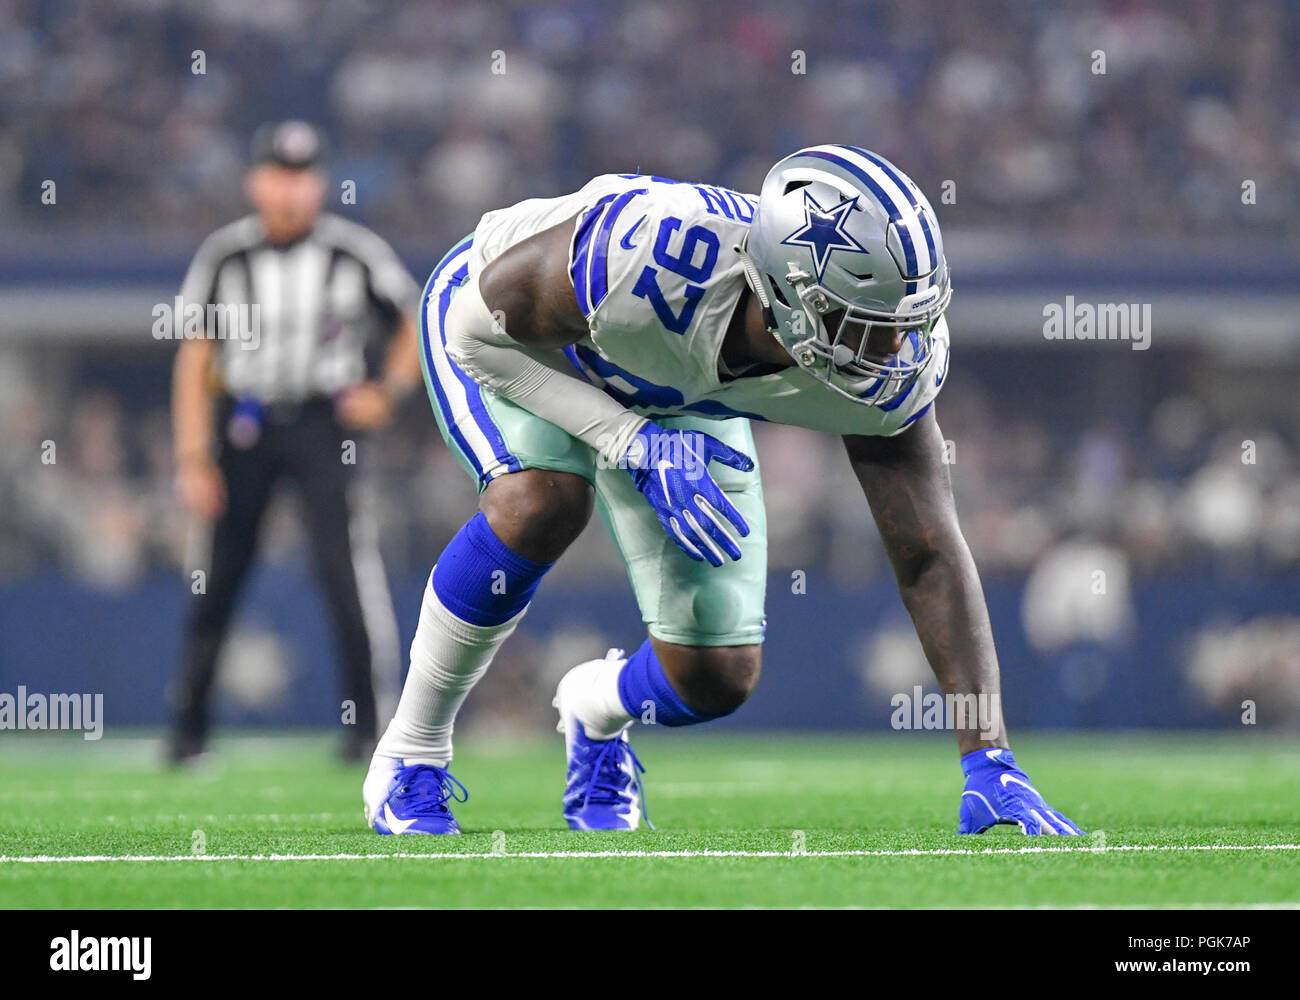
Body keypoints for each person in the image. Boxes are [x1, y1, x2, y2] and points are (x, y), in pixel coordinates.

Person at [363, 145, 1082, 836]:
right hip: (517, 341)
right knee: (543, 502)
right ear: (785, 295)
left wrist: (989, 758)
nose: (893, 352)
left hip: (674, 387)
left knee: (717, 674)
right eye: (863, 325)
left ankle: (594, 707)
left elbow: (929, 554)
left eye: (904, 323)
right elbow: (472, 336)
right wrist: (628, 441)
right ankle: (411, 753)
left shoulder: (886, 371)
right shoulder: (643, 253)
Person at [170, 121, 421, 763]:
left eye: (303, 176)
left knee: (343, 570)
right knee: (220, 574)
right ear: (256, 182)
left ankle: (367, 730)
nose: (291, 190)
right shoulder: (226, 256)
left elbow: (415, 321)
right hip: (245, 423)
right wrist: (194, 457)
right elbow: (197, 358)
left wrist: (385, 393)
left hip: (322, 425)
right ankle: (190, 731)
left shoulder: (353, 252)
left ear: (320, 184)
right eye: (280, 175)